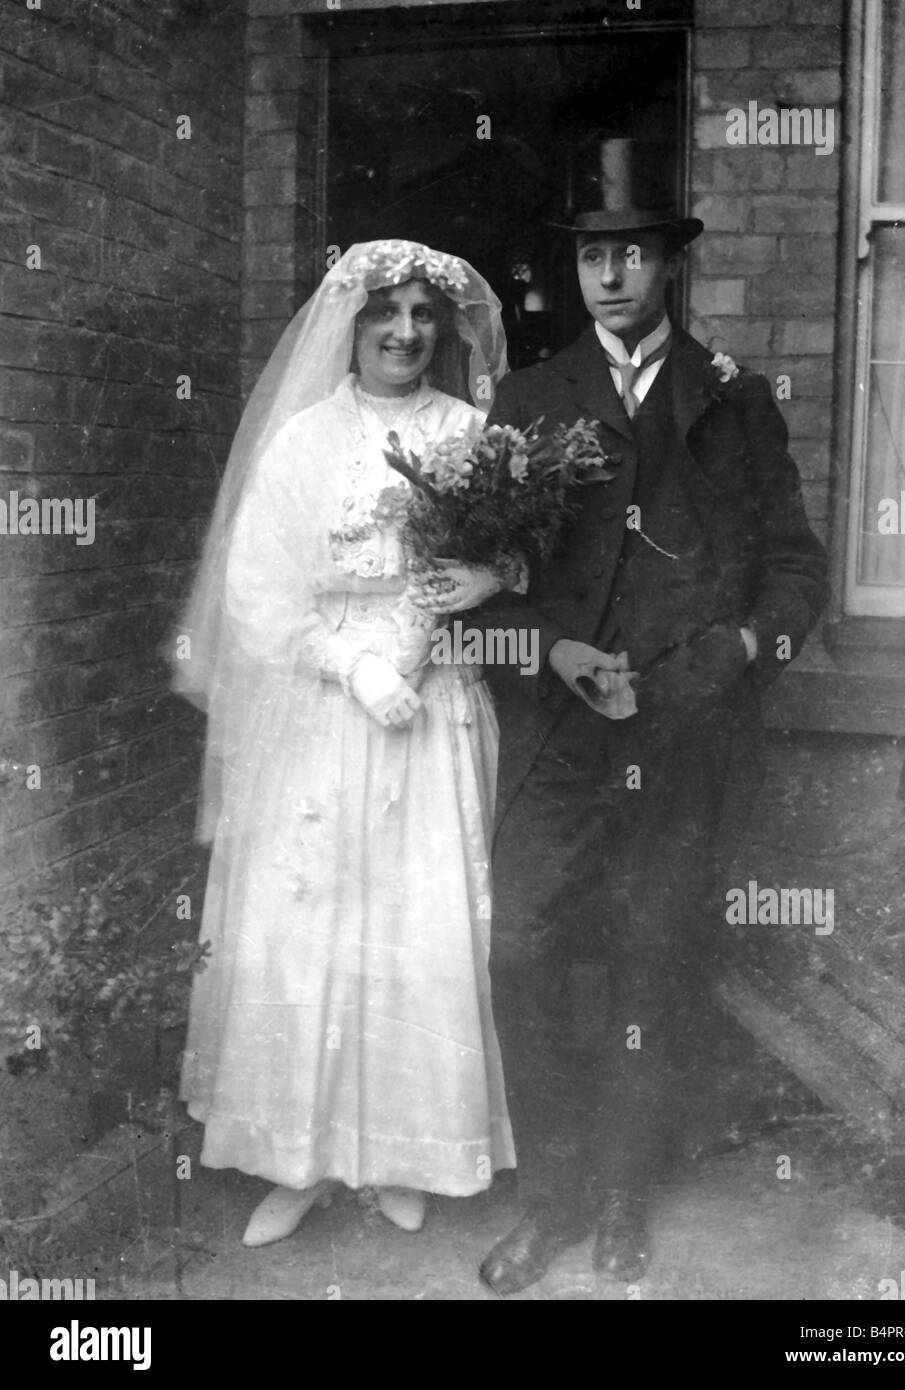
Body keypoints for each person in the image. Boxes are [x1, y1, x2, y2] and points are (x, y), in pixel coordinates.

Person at [475, 139, 829, 1295]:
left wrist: (731, 651)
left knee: (650, 962)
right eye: (592, 255)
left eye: (631, 252)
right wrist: (550, 650)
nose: (610, 275)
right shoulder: (525, 405)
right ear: (573, 269)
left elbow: (794, 578)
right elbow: (472, 600)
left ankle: (624, 1198)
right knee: (520, 948)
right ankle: (556, 1193)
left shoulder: (731, 402)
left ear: (668, 265)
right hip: (558, 748)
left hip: (682, 739)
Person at [173, 241, 516, 1247]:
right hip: (320, 710)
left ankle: (403, 1150)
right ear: (352, 325)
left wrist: (484, 583)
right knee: (307, 921)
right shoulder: (302, 441)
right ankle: (304, 1158)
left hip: (431, 707)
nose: (406, 332)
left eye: (422, 315)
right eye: (385, 314)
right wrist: (351, 663)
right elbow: (257, 590)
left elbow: (520, 548)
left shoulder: (472, 433)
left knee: (417, 923)